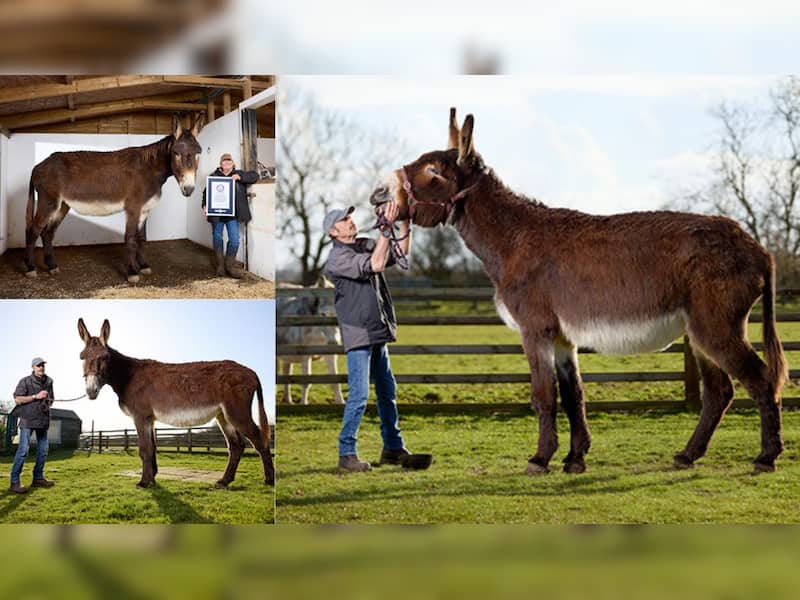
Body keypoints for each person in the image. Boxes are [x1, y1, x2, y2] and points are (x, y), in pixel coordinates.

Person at [324, 201, 426, 473]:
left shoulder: (365, 243)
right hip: (358, 334)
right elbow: (377, 263)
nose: (351, 222)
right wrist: (384, 229)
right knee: (358, 395)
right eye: (344, 220)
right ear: (333, 232)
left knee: (387, 392)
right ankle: (347, 454)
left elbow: (401, 254)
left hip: (377, 331)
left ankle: (393, 447)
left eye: (350, 218)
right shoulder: (337, 259)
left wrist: (406, 222)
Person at [201, 153, 259, 279]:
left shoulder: (238, 174)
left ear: (233, 163)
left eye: (229, 161)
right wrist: (204, 206)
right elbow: (206, 193)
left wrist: (240, 177)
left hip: (232, 215)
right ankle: (220, 266)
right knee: (217, 238)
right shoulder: (213, 176)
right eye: (224, 161)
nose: (227, 163)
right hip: (217, 214)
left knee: (234, 240)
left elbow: (255, 176)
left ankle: (229, 265)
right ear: (220, 164)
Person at [10, 357, 55, 493]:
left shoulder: (49, 381)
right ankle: (15, 482)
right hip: (28, 420)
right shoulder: (25, 381)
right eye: (38, 365)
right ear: (33, 368)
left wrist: (48, 400)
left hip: (43, 420)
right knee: (23, 450)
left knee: (43, 450)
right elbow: (18, 399)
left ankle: (38, 478)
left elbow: (51, 400)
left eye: (42, 365)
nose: (41, 367)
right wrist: (36, 396)